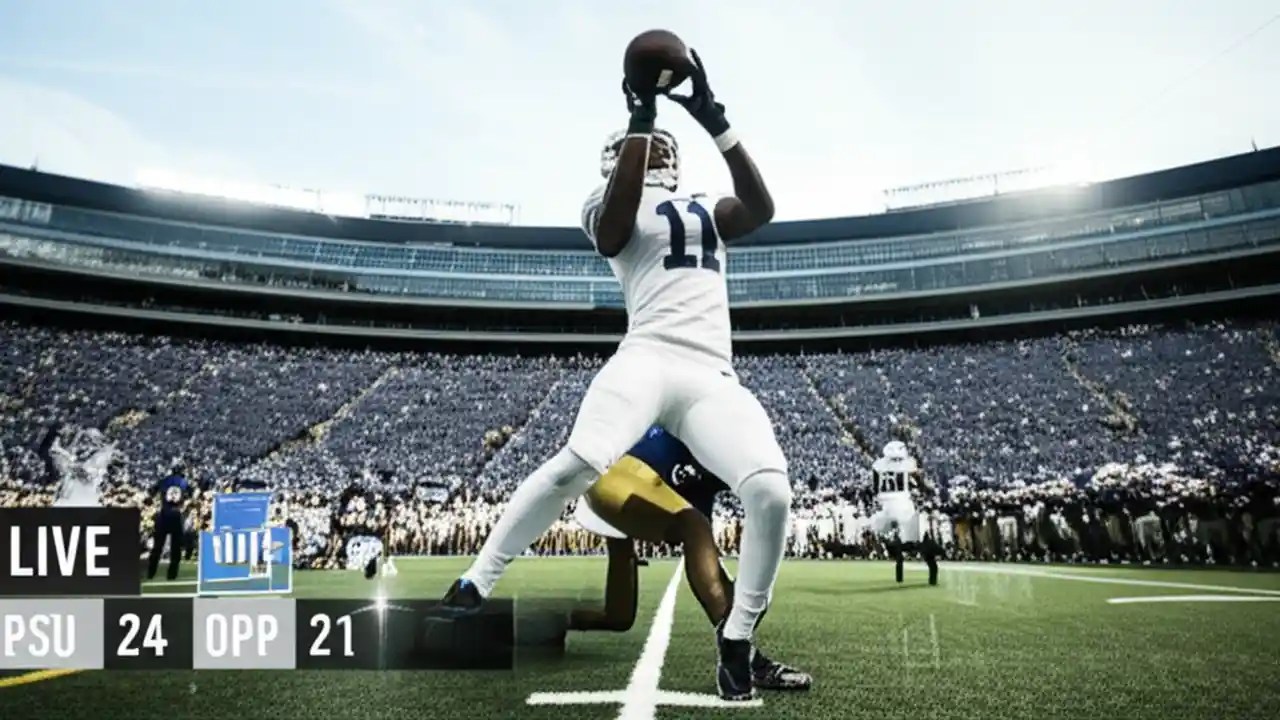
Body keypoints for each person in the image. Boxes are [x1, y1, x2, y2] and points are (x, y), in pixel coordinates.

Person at [438, 48, 791, 701]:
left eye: (661, 143)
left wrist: (718, 123)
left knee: (770, 491)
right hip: (649, 355)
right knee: (578, 463)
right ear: (623, 150)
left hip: (712, 373)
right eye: (644, 144)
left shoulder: (707, 209)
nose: (657, 149)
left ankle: (737, 640)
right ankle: (474, 582)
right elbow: (610, 235)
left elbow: (761, 208)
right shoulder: (605, 201)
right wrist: (642, 111)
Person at [569, 426, 811, 692]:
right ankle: (743, 660)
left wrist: (743, 604)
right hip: (618, 471)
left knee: (619, 617)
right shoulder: (698, 432)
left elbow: (707, 565)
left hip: (615, 485)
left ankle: (555, 622)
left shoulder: (703, 482)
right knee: (694, 526)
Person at [871, 442, 939, 585]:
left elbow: (875, 488)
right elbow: (921, 483)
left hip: (886, 506)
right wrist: (927, 490)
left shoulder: (878, 465)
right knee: (917, 539)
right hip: (903, 503)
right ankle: (931, 566)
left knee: (893, 539)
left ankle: (900, 571)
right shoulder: (908, 464)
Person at [147, 463, 192, 581]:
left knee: (157, 547)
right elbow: (192, 493)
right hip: (176, 515)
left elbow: (151, 491)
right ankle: (171, 575)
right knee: (175, 548)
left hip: (163, 514)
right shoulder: (184, 482)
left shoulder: (165, 480)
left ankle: (151, 572)